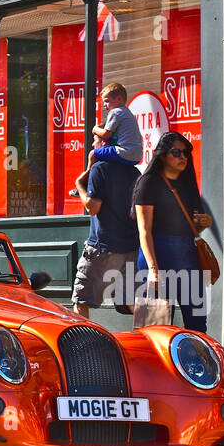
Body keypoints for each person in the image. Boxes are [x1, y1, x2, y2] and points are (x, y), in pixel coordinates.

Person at [133, 131, 212, 330]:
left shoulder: (188, 183)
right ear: (162, 154)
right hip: (157, 251)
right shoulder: (148, 183)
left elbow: (195, 228)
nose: (182, 157)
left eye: (185, 153)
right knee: (156, 323)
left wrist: (205, 222)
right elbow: (144, 230)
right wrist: (153, 269)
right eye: (176, 152)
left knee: (197, 321)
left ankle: (196, 361)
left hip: (186, 252)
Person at [71, 134, 140, 318]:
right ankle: (149, 340)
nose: (92, 145)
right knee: (132, 302)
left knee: (80, 301)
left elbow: (92, 207)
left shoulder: (99, 168)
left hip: (102, 247)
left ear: (104, 144)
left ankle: (84, 345)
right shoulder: (135, 172)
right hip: (130, 248)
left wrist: (79, 185)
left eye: (94, 141)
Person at [89, 83, 143, 167]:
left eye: (107, 101)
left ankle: (86, 176)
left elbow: (106, 134)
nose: (104, 105)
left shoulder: (115, 112)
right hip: (136, 156)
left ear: (119, 99)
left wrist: (95, 129)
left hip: (124, 152)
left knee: (93, 154)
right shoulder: (127, 112)